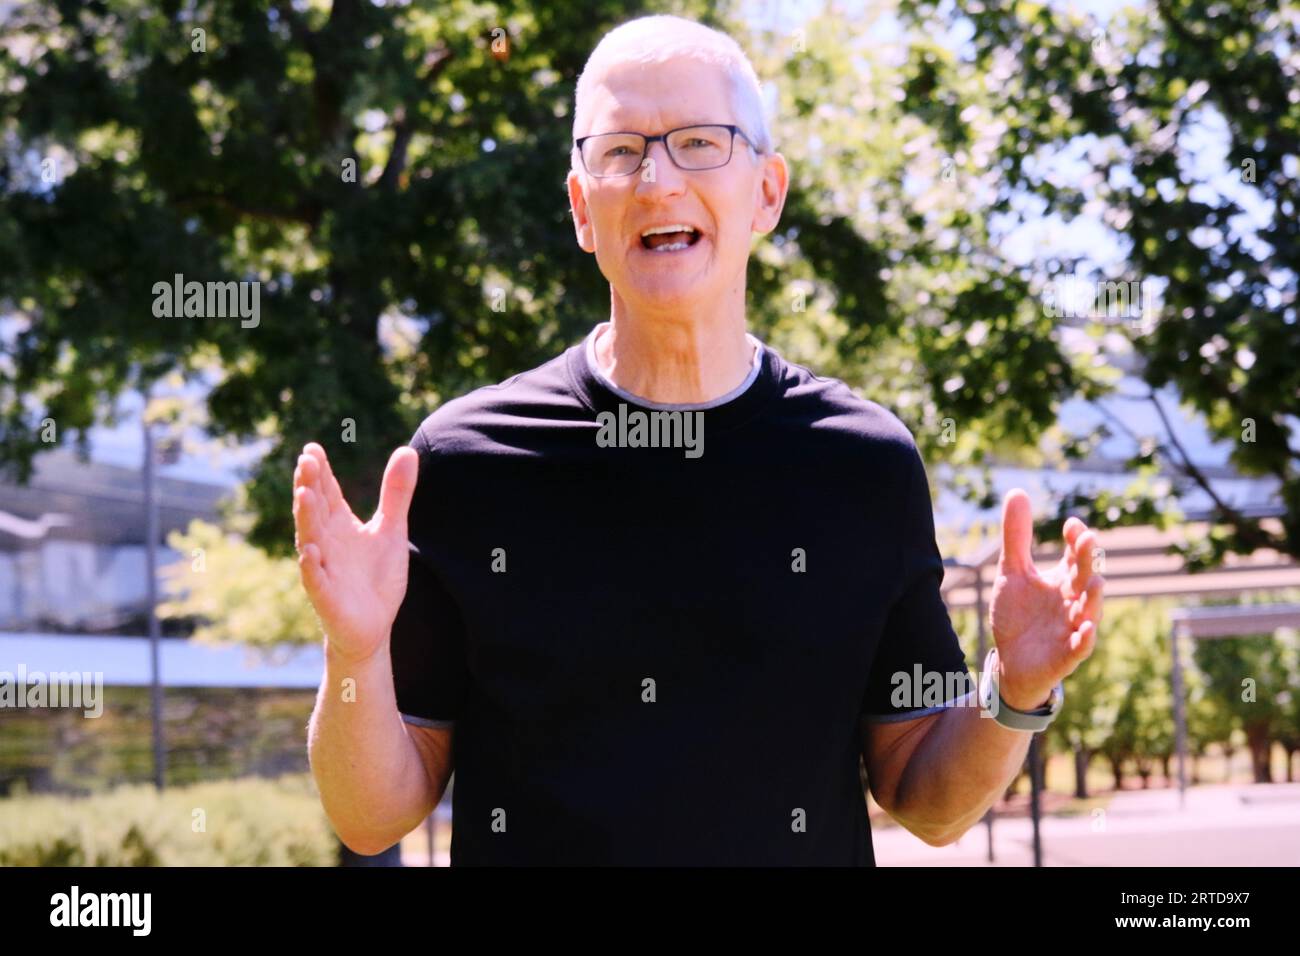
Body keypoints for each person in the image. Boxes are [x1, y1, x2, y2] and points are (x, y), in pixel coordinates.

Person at [294, 14, 1105, 865]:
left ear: (766, 191)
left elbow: (926, 800)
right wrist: (354, 649)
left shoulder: (863, 464)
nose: (657, 180)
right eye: (619, 151)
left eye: (699, 143)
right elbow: (372, 816)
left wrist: (1015, 691)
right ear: (580, 208)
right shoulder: (466, 462)